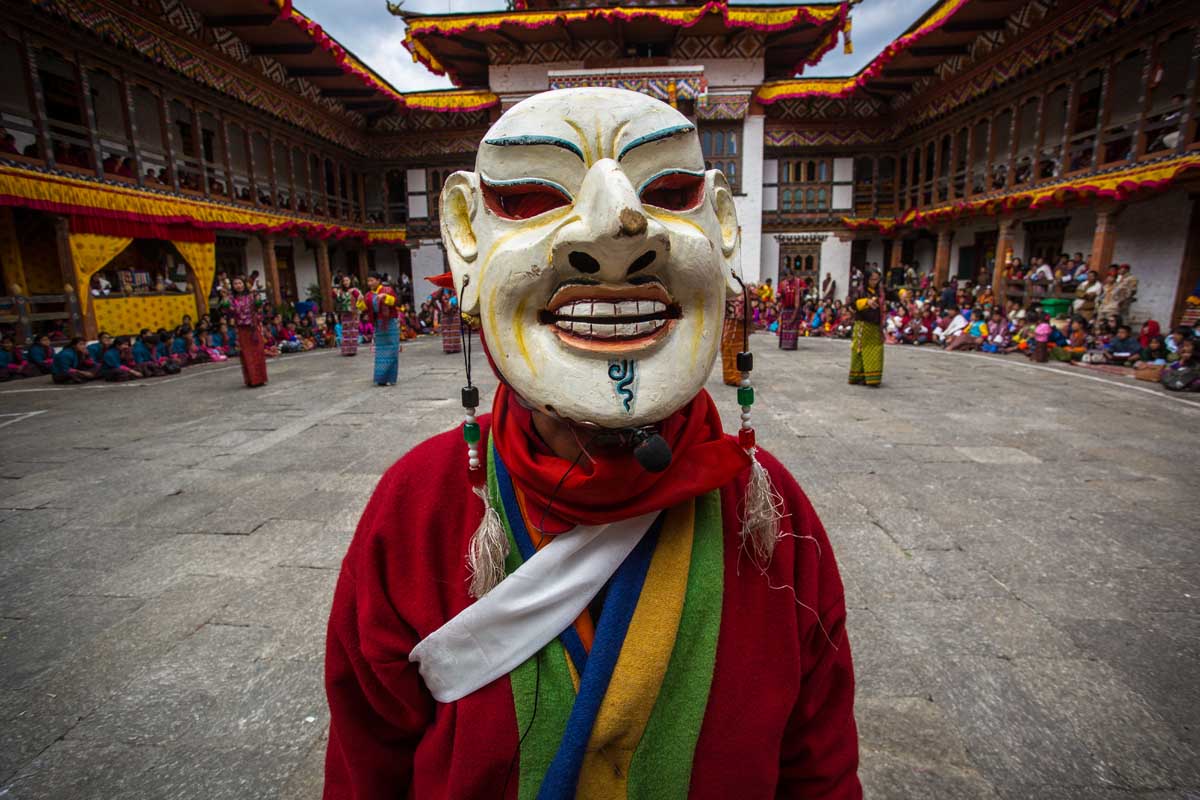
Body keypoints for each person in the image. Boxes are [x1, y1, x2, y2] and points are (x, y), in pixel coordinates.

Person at [323, 88, 859, 800]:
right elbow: (367, 767)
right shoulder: (419, 506)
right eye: (534, 195)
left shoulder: (771, 514)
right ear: (465, 236)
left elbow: (818, 771)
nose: (615, 229)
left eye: (668, 189)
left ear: (723, 224)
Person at [222, 275, 268, 387]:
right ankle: (251, 380)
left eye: (240, 283)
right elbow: (228, 311)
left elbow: (258, 307)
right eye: (235, 284)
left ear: (244, 284)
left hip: (253, 328)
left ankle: (260, 379)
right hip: (242, 330)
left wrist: (257, 297)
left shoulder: (251, 295)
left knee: (258, 353)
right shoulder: (232, 298)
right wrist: (225, 298)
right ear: (233, 286)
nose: (238, 285)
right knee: (247, 354)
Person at [360, 272, 400, 386]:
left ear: (378, 281)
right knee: (381, 351)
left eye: (372, 280)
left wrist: (385, 297)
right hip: (378, 324)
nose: (370, 283)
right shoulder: (368, 295)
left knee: (392, 349)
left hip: (390, 323)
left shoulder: (387, 290)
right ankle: (381, 378)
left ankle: (390, 378)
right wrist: (359, 300)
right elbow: (364, 308)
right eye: (368, 281)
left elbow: (395, 302)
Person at [848, 269, 884, 386]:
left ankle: (872, 378)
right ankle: (859, 376)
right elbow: (852, 304)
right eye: (872, 279)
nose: (875, 282)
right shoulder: (860, 290)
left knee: (876, 350)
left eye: (877, 279)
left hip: (875, 327)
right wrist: (866, 302)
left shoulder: (879, 291)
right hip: (863, 325)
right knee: (860, 351)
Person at [334, 275, 362, 356]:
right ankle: (346, 350)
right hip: (344, 314)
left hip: (353, 313)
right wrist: (336, 294)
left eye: (347, 280)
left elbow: (360, 299)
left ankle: (352, 350)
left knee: (353, 331)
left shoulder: (355, 290)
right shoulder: (340, 291)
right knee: (346, 332)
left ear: (350, 281)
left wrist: (357, 301)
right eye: (344, 281)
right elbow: (337, 301)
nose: (345, 282)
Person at [777, 269, 801, 350]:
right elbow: (779, 293)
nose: (789, 277)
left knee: (793, 326)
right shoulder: (783, 284)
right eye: (787, 276)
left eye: (790, 275)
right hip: (786, 308)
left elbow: (804, 289)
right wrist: (779, 295)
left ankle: (792, 345)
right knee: (785, 327)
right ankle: (785, 344)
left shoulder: (798, 282)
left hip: (795, 308)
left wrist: (801, 292)